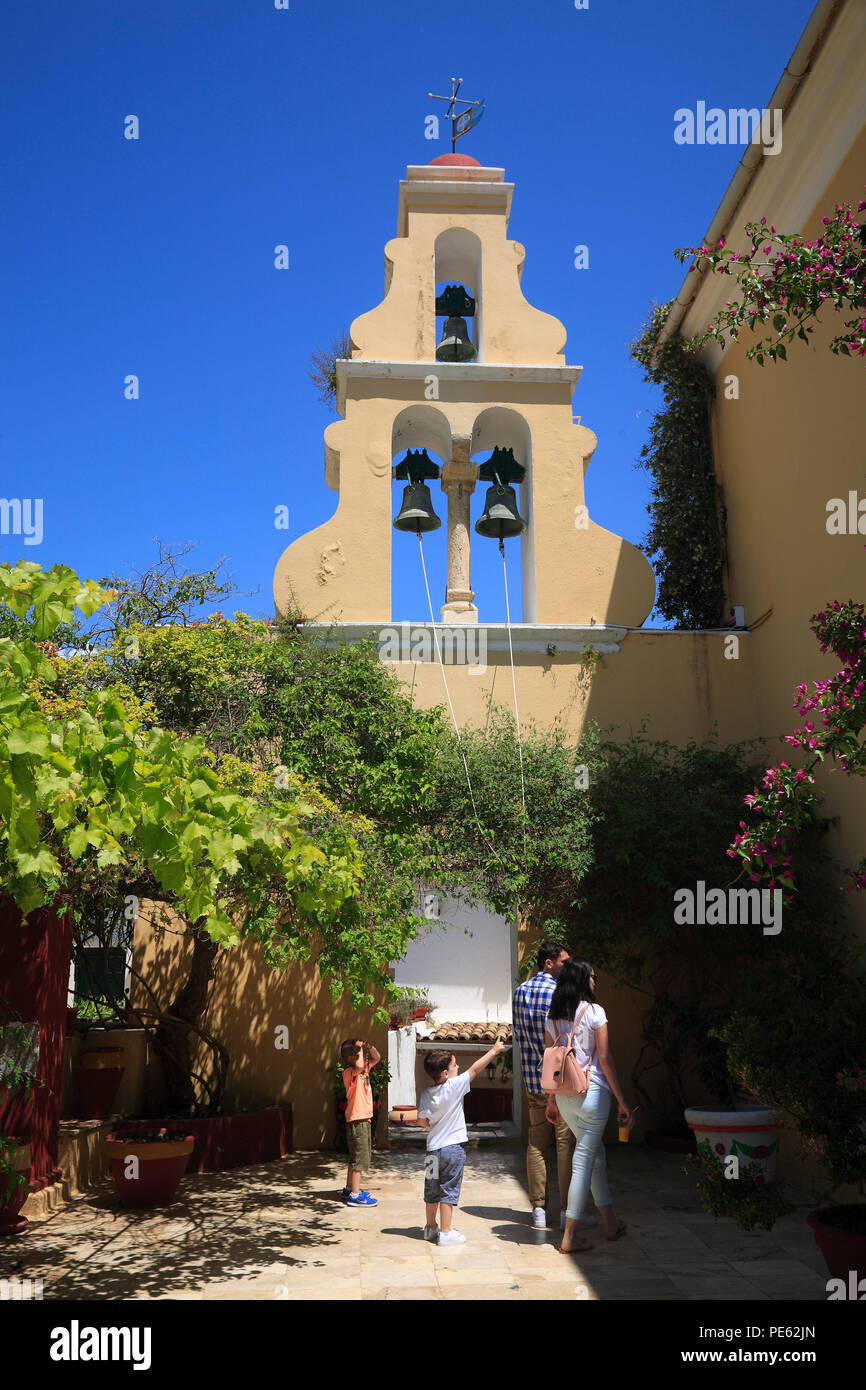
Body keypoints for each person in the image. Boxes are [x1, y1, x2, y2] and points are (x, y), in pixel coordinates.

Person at [545, 959, 631, 1253]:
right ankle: (569, 1237)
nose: (595, 980)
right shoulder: (595, 1012)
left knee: (594, 1157)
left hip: (563, 1095)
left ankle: (610, 1223)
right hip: (593, 1094)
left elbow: (552, 1060)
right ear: (583, 980)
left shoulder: (553, 1017)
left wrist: (550, 1101)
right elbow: (605, 1060)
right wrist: (621, 1100)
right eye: (593, 976)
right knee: (584, 1160)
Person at [416, 1037, 506, 1245]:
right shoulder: (454, 1086)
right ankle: (446, 1233)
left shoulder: (427, 1094)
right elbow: (475, 1069)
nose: (459, 1068)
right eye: (455, 1065)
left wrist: (433, 1126)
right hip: (452, 1150)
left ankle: (430, 1228)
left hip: (432, 1151)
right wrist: (494, 1051)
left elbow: (422, 1121)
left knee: (431, 1189)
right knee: (448, 1189)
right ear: (446, 1073)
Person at [512, 939, 576, 1229]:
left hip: (532, 1079)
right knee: (565, 1144)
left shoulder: (518, 993)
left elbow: (521, 1037)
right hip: (560, 1080)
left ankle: (538, 1209)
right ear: (548, 963)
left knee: (536, 1142)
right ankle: (566, 1212)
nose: (567, 967)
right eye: (564, 962)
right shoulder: (562, 993)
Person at [340, 1036, 381, 1207]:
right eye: (360, 1054)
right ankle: (355, 1196)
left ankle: (350, 1188)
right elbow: (358, 1065)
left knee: (354, 1157)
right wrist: (358, 1049)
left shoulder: (364, 1070)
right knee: (359, 1159)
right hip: (358, 1120)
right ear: (351, 1058)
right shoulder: (350, 1072)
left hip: (361, 1119)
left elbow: (376, 1057)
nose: (365, 1057)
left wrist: (368, 1046)